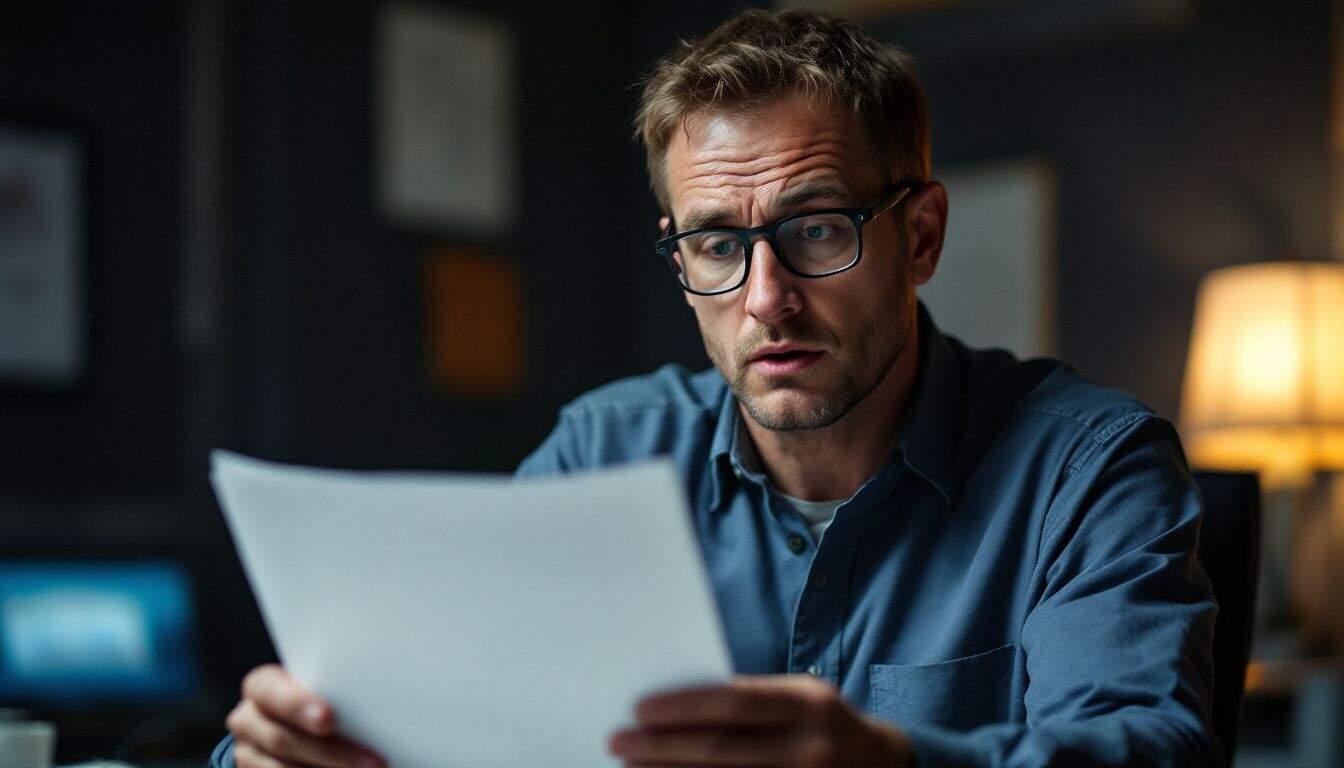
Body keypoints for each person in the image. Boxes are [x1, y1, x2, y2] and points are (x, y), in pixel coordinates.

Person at [210, 8, 1220, 767]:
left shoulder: (1089, 468)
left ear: (920, 237)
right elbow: (431, 709)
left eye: (817, 229)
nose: (765, 298)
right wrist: (290, 748)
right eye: (716, 244)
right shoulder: (605, 451)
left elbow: (1147, 747)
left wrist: (897, 764)